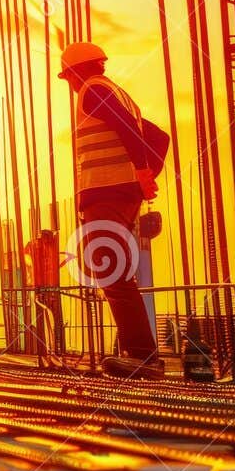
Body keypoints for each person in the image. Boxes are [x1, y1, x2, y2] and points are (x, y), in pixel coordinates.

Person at [59, 42, 163, 379]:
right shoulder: (115, 92)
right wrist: (143, 177)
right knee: (112, 269)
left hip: (106, 190)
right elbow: (158, 136)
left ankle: (143, 357)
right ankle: (140, 354)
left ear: (76, 72)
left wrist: (143, 172)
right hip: (120, 192)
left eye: (68, 77)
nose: (70, 84)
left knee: (112, 271)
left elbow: (128, 129)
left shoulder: (92, 90)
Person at [21, 228, 68, 355]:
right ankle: (50, 348)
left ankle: (52, 348)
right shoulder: (34, 247)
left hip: (47, 285)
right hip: (42, 286)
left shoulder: (40, 248)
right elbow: (28, 262)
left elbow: (30, 263)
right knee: (47, 317)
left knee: (50, 317)